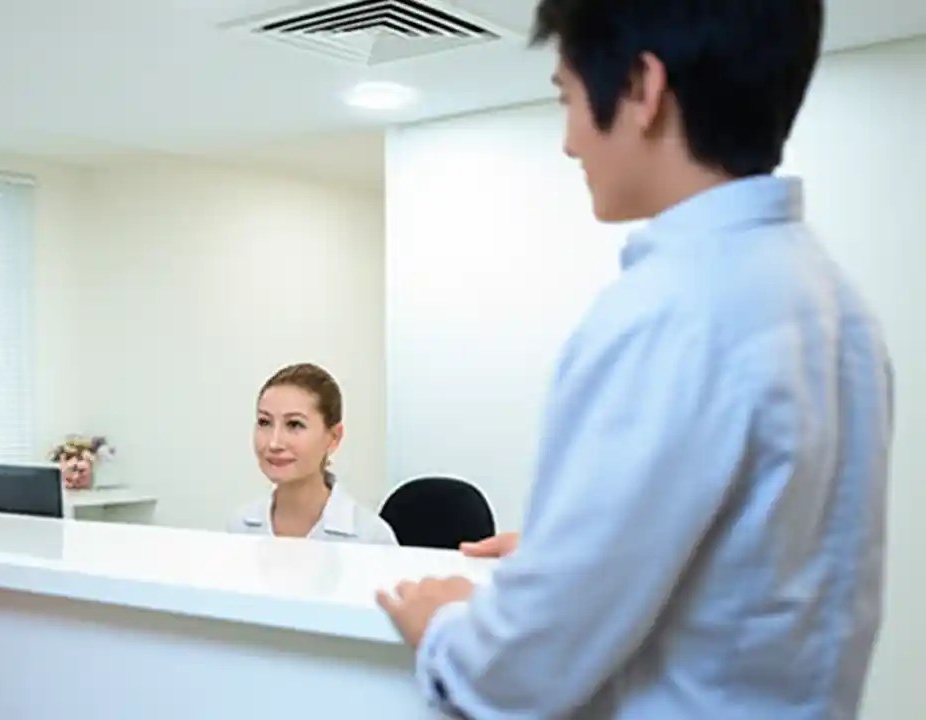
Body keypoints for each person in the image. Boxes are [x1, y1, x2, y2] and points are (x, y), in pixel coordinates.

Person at [377, 1, 893, 718]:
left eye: (568, 97)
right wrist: (583, 550)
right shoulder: (836, 302)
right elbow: (763, 561)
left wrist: (444, 625)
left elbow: (520, 671)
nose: (567, 143)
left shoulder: (666, 312)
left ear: (642, 89)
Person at [228, 363, 397, 545]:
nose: (274, 443)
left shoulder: (370, 537)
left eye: (294, 424)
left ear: (333, 437)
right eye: (264, 422)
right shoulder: (240, 527)